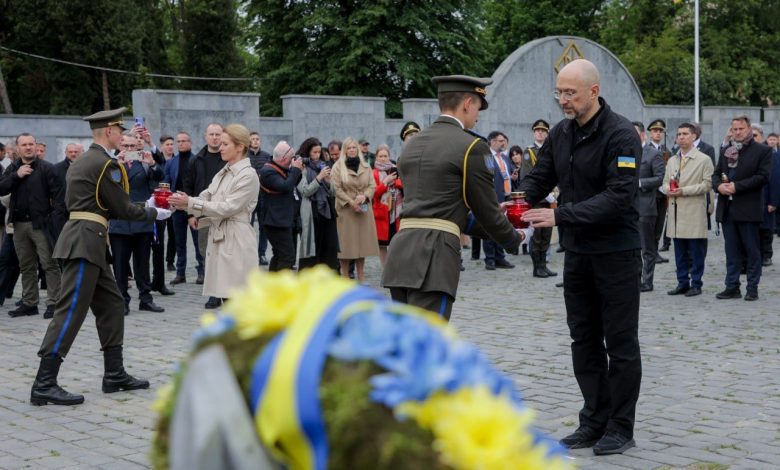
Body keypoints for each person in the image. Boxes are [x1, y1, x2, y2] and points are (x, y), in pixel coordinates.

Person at [519, 59, 642, 455]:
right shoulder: (560, 132)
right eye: (559, 92)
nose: (563, 100)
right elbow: (541, 178)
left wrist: (560, 216)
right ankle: (593, 419)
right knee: (583, 339)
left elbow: (619, 196)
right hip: (579, 253)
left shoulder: (621, 135)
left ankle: (621, 427)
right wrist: (517, 201)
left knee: (620, 342)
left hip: (616, 252)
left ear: (594, 91)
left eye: (570, 93)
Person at [31, 107, 171, 406]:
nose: (122, 135)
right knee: (71, 310)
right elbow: (121, 208)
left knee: (112, 304)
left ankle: (114, 374)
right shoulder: (104, 163)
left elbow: (105, 204)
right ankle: (44, 383)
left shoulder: (86, 160)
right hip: (85, 241)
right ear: (109, 131)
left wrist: (145, 205)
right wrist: (154, 212)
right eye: (120, 131)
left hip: (89, 239)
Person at [382, 75, 525, 321]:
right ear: (467, 104)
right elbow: (486, 211)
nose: (477, 116)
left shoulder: (412, 145)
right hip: (434, 258)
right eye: (478, 108)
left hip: (401, 255)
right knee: (429, 338)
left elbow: (445, 211)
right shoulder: (472, 146)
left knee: (406, 339)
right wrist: (514, 237)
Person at [168, 124, 259, 302]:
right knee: (225, 295)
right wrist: (180, 202)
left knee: (237, 297)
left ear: (240, 147)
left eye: (225, 144)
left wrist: (190, 203)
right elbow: (207, 195)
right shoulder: (224, 172)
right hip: (220, 237)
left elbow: (228, 207)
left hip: (236, 238)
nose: (220, 148)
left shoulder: (248, 175)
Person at [0, 133, 62, 319]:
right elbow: (2, 188)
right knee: (26, 265)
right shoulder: (13, 168)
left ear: (35, 146)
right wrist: (16, 176)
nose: (28, 147)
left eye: (31, 144)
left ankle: (55, 303)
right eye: (24, 145)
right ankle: (29, 303)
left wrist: (53, 221)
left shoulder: (47, 168)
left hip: (41, 225)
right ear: (17, 149)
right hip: (19, 225)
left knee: (49, 264)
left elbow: (59, 198)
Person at [713, 115, 772, 301]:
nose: (737, 132)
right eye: (734, 129)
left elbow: (762, 177)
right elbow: (716, 174)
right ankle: (732, 286)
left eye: (741, 129)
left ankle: (752, 288)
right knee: (731, 251)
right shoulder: (726, 150)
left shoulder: (762, 150)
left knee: (752, 251)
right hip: (727, 209)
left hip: (748, 209)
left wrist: (737, 187)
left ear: (749, 130)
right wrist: (719, 186)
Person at [109, 132, 165, 315]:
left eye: (132, 146)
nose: (129, 149)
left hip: (141, 219)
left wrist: (153, 164)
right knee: (120, 265)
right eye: (126, 146)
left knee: (142, 263)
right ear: (120, 146)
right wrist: (116, 164)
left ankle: (145, 299)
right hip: (119, 220)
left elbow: (160, 176)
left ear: (138, 146)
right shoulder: (112, 163)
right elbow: (108, 184)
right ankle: (122, 300)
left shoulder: (144, 163)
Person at [663, 123, 714, 297]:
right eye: (679, 134)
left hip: (693, 212)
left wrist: (684, 190)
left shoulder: (704, 159)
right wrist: (667, 189)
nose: (681, 137)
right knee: (679, 252)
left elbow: (707, 185)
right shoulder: (672, 160)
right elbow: (664, 182)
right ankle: (682, 282)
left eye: (685, 134)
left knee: (696, 251)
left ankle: (696, 283)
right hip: (675, 212)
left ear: (694, 136)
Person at [183, 123, 227, 309]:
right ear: (205, 136)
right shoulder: (196, 160)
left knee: (225, 254)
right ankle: (213, 294)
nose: (215, 138)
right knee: (207, 254)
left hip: (225, 214)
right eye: (211, 134)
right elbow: (188, 186)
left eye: (218, 134)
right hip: (202, 214)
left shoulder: (228, 158)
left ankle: (227, 292)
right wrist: (190, 214)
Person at [332, 137, 380, 283]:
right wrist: (351, 201)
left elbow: (372, 185)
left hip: (363, 209)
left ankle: (361, 276)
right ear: (345, 150)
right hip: (346, 210)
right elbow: (336, 189)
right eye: (349, 148)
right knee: (345, 246)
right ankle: (345, 276)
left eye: (354, 148)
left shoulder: (365, 165)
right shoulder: (338, 166)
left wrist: (365, 196)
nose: (352, 150)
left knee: (362, 245)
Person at [164, 132, 204, 286]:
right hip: (177, 207)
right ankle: (180, 273)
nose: (181, 144)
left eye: (184, 141)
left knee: (198, 241)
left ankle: (201, 272)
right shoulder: (171, 163)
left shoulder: (197, 161)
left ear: (190, 142)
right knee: (179, 242)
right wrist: (169, 201)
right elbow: (167, 183)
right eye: (178, 141)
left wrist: (195, 207)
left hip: (193, 206)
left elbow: (199, 184)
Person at [258, 141, 304, 271]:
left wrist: (297, 170)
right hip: (275, 222)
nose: (293, 160)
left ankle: (273, 283)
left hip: (280, 220)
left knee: (279, 255)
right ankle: (281, 283)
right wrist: (295, 170)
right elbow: (286, 186)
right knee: (287, 256)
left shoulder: (279, 168)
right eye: (291, 158)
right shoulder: (268, 171)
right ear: (284, 159)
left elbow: (292, 183)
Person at [296, 137, 339, 271]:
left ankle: (328, 275)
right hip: (311, 212)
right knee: (311, 249)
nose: (317, 155)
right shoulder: (301, 168)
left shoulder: (323, 165)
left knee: (329, 247)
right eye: (314, 152)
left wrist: (329, 181)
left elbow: (333, 193)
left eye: (319, 152)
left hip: (326, 212)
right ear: (307, 152)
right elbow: (305, 191)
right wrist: (319, 178)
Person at [522, 119, 558, 278]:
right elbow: (527, 176)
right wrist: (547, 195)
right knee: (537, 234)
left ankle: (544, 265)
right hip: (537, 200)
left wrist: (555, 194)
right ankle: (537, 267)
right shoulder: (529, 152)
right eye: (537, 131)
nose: (540, 133)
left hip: (550, 200)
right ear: (534, 133)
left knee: (546, 234)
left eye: (543, 131)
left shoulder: (552, 150)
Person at [633, 122, 664, 292]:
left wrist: (639, 183)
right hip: (628, 208)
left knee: (647, 248)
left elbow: (659, 178)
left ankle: (647, 281)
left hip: (645, 206)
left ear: (643, 135)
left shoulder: (653, 154)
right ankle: (635, 279)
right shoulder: (626, 153)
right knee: (633, 247)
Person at [372, 144, 403, 267]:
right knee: (382, 244)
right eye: (380, 156)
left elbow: (404, 185)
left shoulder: (396, 169)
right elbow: (375, 193)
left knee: (397, 242)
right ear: (376, 157)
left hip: (396, 212)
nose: (383, 158)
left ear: (389, 156)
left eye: (385, 156)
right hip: (382, 212)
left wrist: (395, 182)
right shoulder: (374, 173)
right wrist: (385, 182)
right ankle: (385, 268)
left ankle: (395, 267)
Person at [647, 119, 672, 257]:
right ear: (650, 133)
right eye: (655, 131)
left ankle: (655, 251)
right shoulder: (645, 150)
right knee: (650, 224)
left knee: (659, 223)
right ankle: (650, 253)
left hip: (662, 194)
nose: (658, 133)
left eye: (660, 131)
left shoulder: (666, 151)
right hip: (650, 192)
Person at [248, 131, 272, 266]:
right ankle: (249, 253)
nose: (255, 141)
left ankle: (262, 254)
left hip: (264, 196)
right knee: (248, 226)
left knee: (264, 226)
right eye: (253, 139)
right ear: (249, 141)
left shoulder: (267, 156)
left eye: (257, 139)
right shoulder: (244, 157)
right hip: (249, 197)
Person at [51, 143, 83, 240]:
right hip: (61, 213)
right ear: (65, 152)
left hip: (79, 211)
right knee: (61, 241)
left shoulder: (85, 168)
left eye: (75, 152)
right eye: (70, 152)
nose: (73, 154)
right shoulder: (56, 169)